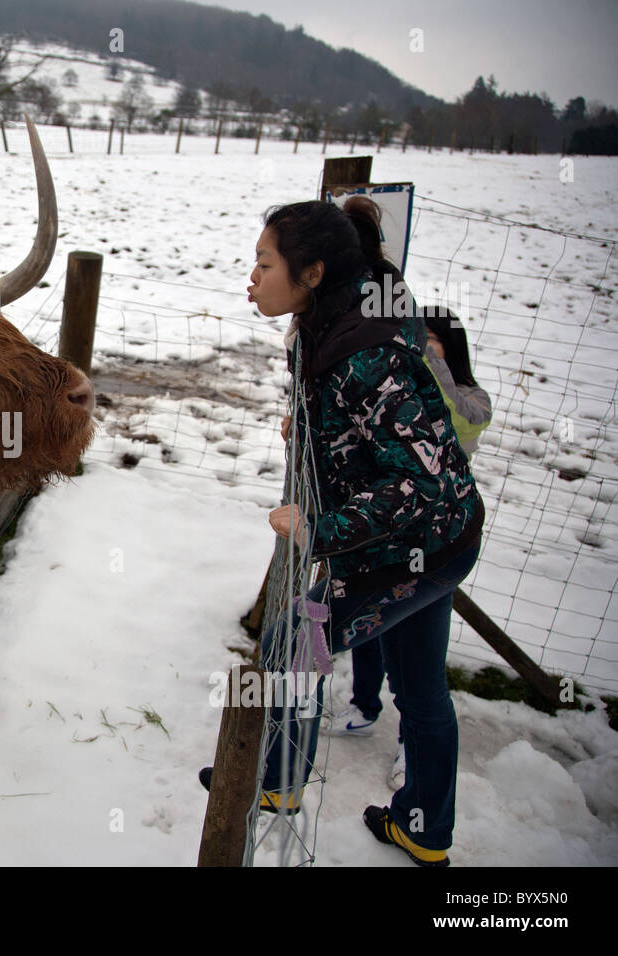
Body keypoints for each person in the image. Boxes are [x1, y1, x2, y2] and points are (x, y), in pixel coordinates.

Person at [200, 197, 485, 867]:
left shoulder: (366, 354)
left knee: (293, 642)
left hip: (421, 545)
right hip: (436, 538)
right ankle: (423, 826)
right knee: (420, 689)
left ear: (314, 272)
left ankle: (273, 785)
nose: (252, 276)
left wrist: (318, 530)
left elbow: (417, 484)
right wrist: (313, 433)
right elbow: (370, 434)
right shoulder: (333, 324)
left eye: (265, 264)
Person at [330, 304, 493, 794]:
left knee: (419, 673)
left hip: (432, 541)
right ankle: (363, 703)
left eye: (430, 344)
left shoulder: (469, 399)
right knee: (373, 636)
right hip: (388, 539)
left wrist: (423, 356)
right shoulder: (397, 379)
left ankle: (411, 748)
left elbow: (458, 425)